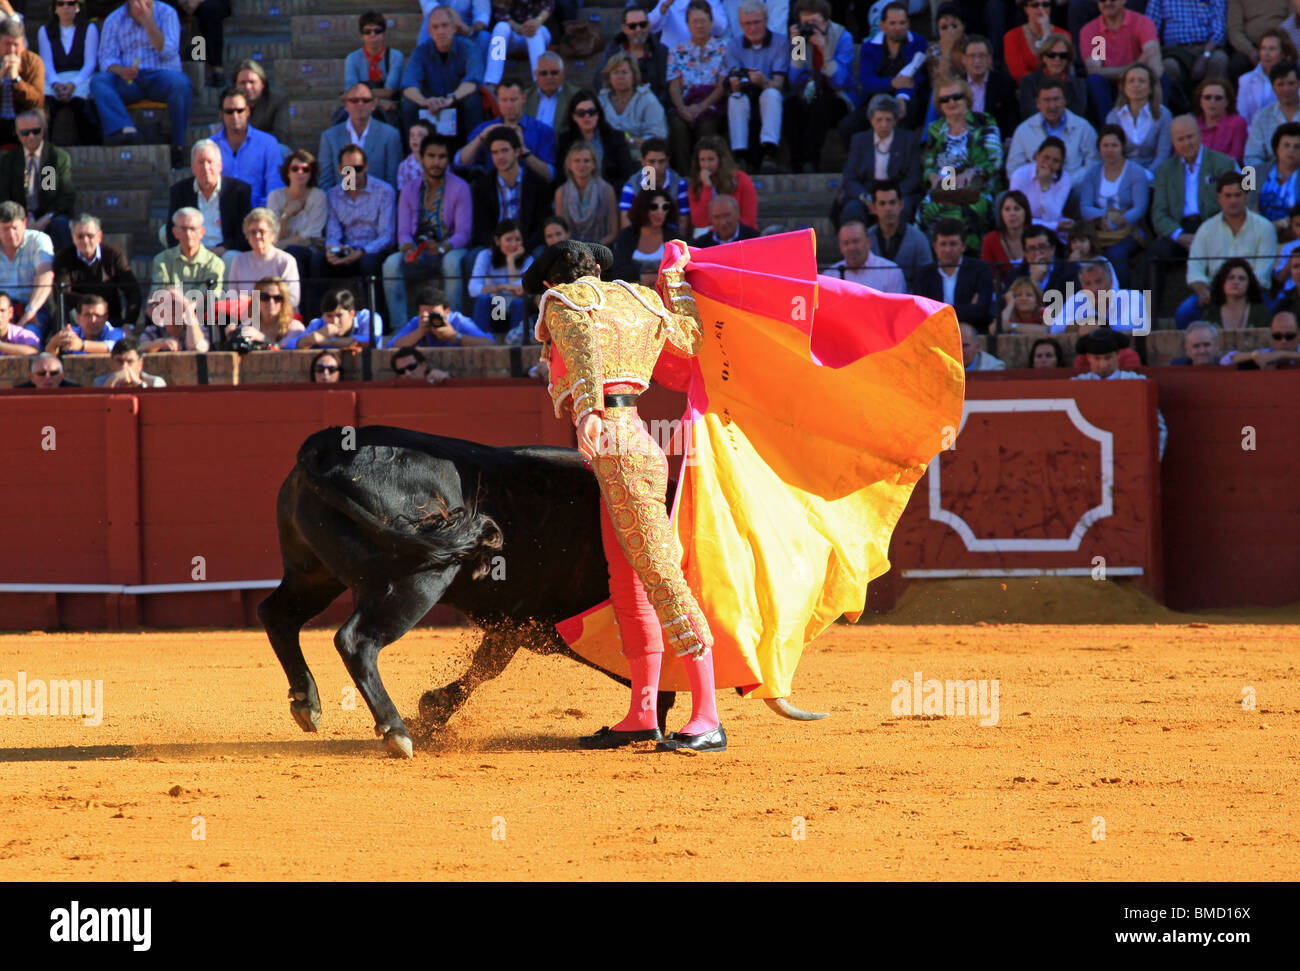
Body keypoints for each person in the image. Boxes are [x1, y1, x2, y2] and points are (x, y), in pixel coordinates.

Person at [526, 237, 724, 751]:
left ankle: (708, 716)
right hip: (638, 440)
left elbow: (582, 347)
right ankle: (642, 713)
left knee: (658, 573)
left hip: (614, 441)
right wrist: (676, 281)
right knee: (629, 580)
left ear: (553, 280)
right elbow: (692, 337)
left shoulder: (564, 301)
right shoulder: (642, 299)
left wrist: (588, 408)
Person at [1148, 116, 1239, 315]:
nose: (1186, 143)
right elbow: (1159, 213)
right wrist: (1179, 235)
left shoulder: (1223, 163)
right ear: (1173, 142)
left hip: (1213, 226)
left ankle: (1219, 313)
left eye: (1190, 137)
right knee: (1154, 255)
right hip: (1180, 229)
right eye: (1180, 139)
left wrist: (1206, 233)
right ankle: (1151, 319)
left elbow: (1235, 203)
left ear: (1199, 136)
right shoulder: (1165, 170)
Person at [88, 1, 190, 168]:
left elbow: (169, 52)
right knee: (99, 82)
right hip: (129, 80)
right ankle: (125, 129)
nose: (141, 4)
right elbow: (106, 58)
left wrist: (149, 22)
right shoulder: (114, 19)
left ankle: (178, 146)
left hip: (161, 76)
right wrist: (121, 70)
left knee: (182, 84)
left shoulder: (167, 13)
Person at [384, 131, 472, 322]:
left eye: (441, 157)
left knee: (451, 262)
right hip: (420, 249)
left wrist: (442, 247)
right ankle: (399, 328)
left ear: (448, 160)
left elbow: (463, 234)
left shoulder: (460, 187)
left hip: (451, 248)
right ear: (421, 158)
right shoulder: (409, 189)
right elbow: (404, 233)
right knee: (391, 264)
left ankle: (453, 323)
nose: (436, 162)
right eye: (431, 156)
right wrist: (408, 247)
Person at [918, 77, 1003, 252]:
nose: (951, 102)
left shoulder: (985, 122)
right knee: (926, 209)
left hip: (977, 188)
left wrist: (974, 171)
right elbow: (928, 164)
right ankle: (939, 258)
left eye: (956, 97)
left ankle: (968, 257)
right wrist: (932, 176)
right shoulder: (935, 129)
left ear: (966, 98)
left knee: (966, 211)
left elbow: (995, 161)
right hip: (944, 187)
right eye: (944, 99)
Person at [1182, 172, 1276, 328]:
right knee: (1184, 313)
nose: (1233, 200)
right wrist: (1202, 290)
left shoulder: (1264, 227)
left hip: (1254, 291)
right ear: (1219, 198)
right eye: (1228, 195)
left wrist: (1238, 288)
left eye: (1238, 195)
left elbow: (1263, 272)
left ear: (1246, 196)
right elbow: (1194, 269)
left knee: (1273, 315)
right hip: (1214, 290)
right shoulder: (1206, 229)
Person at [313, 144, 397, 299]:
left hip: (373, 251)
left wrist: (361, 252)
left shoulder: (384, 191)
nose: (353, 174)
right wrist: (332, 250)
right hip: (347, 250)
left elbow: (387, 236)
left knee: (368, 263)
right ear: (339, 170)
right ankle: (320, 317)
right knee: (319, 261)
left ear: (366, 167)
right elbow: (333, 233)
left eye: (357, 168)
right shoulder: (333, 194)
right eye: (347, 170)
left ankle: (376, 318)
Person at [782, 0, 855, 174]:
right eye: (805, 23)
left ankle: (811, 161)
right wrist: (797, 47)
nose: (809, 27)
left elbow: (841, 81)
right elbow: (793, 79)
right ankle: (796, 162)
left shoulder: (842, 37)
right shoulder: (800, 38)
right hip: (805, 93)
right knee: (790, 106)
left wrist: (825, 52)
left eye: (814, 23)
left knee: (819, 104)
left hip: (836, 96)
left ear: (826, 22)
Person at [1071, 326, 1166, 457]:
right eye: (1097, 359)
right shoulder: (1077, 385)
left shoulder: (1136, 382)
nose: (1103, 365)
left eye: (1108, 358)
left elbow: (1159, 429)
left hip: (1130, 455)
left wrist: (1152, 463)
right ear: (1088, 358)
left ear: (1118, 355)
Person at [1076, 125, 1149, 289]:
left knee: (1116, 254)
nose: (1110, 150)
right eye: (1105, 145)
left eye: (1114, 145)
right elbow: (1085, 207)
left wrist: (1120, 220)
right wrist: (1106, 215)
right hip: (1100, 229)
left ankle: (1122, 298)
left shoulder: (1136, 172)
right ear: (1099, 148)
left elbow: (1140, 207)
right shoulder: (1092, 174)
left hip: (1129, 230)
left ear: (1122, 147)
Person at [721, 0, 787, 173]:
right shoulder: (733, 45)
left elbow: (780, 82)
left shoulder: (781, 42)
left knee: (770, 94)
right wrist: (735, 83)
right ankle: (739, 155)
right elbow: (733, 77)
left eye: (757, 22)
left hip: (770, 91)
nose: (752, 28)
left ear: (766, 21)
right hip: (746, 93)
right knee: (735, 98)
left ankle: (770, 152)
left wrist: (763, 80)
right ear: (741, 25)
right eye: (747, 24)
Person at [400, 6, 485, 141]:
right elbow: (408, 85)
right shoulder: (421, 51)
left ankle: (475, 154)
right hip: (430, 103)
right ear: (430, 31)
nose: (440, 31)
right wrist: (424, 101)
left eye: (445, 26)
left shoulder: (470, 48)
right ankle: (413, 156)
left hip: (458, 101)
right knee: (408, 104)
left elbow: (473, 81)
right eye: (435, 27)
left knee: (472, 100)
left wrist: (451, 99)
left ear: (454, 27)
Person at [836, 93, 921, 226]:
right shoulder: (859, 141)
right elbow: (850, 178)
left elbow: (914, 177)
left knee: (904, 208)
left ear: (895, 121)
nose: (883, 125)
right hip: (868, 191)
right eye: (879, 119)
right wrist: (865, 197)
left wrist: (892, 197)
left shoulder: (908, 140)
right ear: (871, 120)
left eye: (888, 120)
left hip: (898, 190)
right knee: (852, 210)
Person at [167, 139, 252, 267]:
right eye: (201, 162)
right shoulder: (179, 191)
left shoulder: (239, 190)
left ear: (220, 166)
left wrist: (222, 249)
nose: (206, 168)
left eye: (210, 162)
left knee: (233, 258)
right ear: (193, 167)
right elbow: (171, 232)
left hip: (225, 251)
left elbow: (244, 233)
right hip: (192, 249)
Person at [0, 110, 74, 254]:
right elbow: (4, 195)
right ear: (17, 132)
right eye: (25, 133)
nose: (31, 137)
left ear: (44, 130)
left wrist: (46, 218)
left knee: (61, 224)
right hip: (18, 218)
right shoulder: (9, 161)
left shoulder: (54, 157)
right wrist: (21, 220)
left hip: (49, 217)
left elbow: (65, 195)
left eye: (36, 131)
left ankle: (65, 271)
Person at [1080, 0, 1163, 127]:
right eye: (1102, 0)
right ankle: (1110, 131)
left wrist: (1140, 76)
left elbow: (1155, 63)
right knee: (1095, 80)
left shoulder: (1141, 23)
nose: (1107, 3)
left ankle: (1155, 125)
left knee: (1162, 79)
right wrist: (1137, 65)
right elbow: (1096, 70)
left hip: (1139, 82)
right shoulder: (1094, 31)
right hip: (1110, 87)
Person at [51, 213, 141, 327]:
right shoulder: (63, 257)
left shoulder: (113, 255)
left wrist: (129, 323)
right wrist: (93, 303)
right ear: (73, 237)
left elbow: (133, 290)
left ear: (99, 236)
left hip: (109, 318)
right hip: (77, 320)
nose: (85, 240)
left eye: (90, 235)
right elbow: (61, 293)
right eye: (80, 236)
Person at [470, 125, 551, 252]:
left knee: (541, 254)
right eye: (495, 152)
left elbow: (543, 224)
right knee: (472, 258)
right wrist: (499, 246)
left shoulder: (536, 183)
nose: (500, 157)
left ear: (517, 151)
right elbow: (480, 228)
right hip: (495, 247)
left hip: (528, 246)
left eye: (504, 150)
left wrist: (523, 246)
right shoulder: (482, 186)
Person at [849, 2, 926, 136]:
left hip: (909, 95)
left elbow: (915, 77)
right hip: (876, 96)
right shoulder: (869, 47)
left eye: (902, 23)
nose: (898, 28)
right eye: (893, 23)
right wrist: (892, 82)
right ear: (882, 25)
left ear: (908, 23)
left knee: (908, 110)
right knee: (848, 126)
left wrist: (902, 96)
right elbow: (867, 82)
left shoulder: (918, 42)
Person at [457, 78, 555, 179]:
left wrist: (524, 152)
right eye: (504, 100)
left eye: (513, 100)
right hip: (492, 189)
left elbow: (549, 175)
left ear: (524, 99)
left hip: (530, 190)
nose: (509, 106)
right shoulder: (485, 128)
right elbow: (459, 163)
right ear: (498, 100)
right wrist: (481, 138)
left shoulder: (542, 130)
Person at [318, 82, 403, 192]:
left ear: (374, 104)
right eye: (354, 100)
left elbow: (392, 181)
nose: (360, 104)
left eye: (365, 100)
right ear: (346, 105)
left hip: (379, 205)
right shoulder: (329, 137)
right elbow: (326, 182)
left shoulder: (390, 135)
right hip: (340, 204)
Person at [1008, 80, 1098, 182]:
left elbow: (1094, 164)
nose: (1052, 106)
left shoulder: (1083, 127)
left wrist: (1066, 183)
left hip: (1074, 189)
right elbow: (1014, 169)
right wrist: (1038, 184)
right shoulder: (1023, 130)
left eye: (1056, 99)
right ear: (1038, 103)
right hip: (1035, 191)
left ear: (1065, 101)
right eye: (1046, 100)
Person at [37, 0, 100, 146]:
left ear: (78, 7)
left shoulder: (89, 28)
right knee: (46, 108)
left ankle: (90, 147)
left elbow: (90, 63)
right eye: (61, 4)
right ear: (55, 8)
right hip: (54, 78)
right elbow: (46, 63)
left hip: (81, 77)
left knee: (82, 106)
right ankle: (45, 149)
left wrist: (73, 83)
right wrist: (56, 84)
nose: (66, 7)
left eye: (71, 3)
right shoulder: (45, 31)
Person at [267, 150, 328, 297]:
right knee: (292, 258)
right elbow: (272, 235)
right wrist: (286, 216)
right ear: (287, 172)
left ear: (311, 173)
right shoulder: (275, 196)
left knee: (295, 255)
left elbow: (313, 234)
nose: (300, 173)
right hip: (284, 251)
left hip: (311, 248)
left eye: (305, 169)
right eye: (295, 169)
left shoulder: (318, 196)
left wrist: (282, 243)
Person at [211, 87, 283, 209]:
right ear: (222, 114)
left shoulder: (268, 144)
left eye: (240, 111)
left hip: (258, 217)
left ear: (248, 111)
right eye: (229, 111)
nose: (235, 116)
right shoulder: (210, 146)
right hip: (220, 216)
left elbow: (275, 190)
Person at [917, 218, 995, 330]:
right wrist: (968, 309)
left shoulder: (980, 270)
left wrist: (938, 311)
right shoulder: (924, 274)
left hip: (972, 334)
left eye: (953, 244)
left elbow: (980, 312)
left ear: (963, 246)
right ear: (935, 247)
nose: (947, 249)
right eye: (943, 244)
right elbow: (922, 313)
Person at [555, 89, 637, 188]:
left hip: (609, 193)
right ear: (574, 117)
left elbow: (625, 175)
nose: (587, 116)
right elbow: (560, 176)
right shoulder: (565, 140)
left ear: (598, 114)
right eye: (581, 113)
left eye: (591, 112)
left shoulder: (616, 138)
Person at [1104, 63, 1172, 178]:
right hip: (1122, 176)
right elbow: (1113, 153)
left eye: (1141, 81)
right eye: (1131, 81)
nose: (1136, 85)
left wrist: (1146, 175)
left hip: (1153, 176)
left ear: (1150, 88)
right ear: (1124, 87)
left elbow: (1163, 154)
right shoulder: (1113, 117)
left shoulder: (1163, 115)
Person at [1049, 258, 1150, 332]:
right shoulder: (1077, 299)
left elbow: (1128, 326)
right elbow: (1055, 328)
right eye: (1088, 284)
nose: (1094, 288)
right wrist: (1085, 325)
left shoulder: (1133, 297)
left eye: (1098, 281)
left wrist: (1092, 324)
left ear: (1110, 281)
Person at [228, 208, 301, 310]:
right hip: (247, 318)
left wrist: (254, 301)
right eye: (253, 232)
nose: (257, 236)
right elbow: (232, 297)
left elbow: (293, 299)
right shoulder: (239, 260)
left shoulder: (286, 261)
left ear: (272, 235)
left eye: (262, 231)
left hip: (279, 319)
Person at [0, 200, 54, 338]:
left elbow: (46, 274)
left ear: (24, 224)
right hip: (2, 311)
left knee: (30, 338)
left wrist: (30, 311)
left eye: (15, 228)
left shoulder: (39, 241)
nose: (11, 235)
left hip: (33, 309)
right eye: (6, 229)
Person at [595, 4, 669, 104]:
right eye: (632, 26)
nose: (638, 29)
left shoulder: (660, 51)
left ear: (648, 25)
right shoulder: (613, 50)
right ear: (624, 28)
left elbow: (666, 87)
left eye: (642, 24)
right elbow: (600, 81)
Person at [467, 220, 529, 338]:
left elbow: (521, 289)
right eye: (508, 240)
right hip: (496, 304)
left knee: (520, 302)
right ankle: (479, 340)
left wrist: (511, 260)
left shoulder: (528, 260)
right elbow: (473, 289)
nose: (513, 244)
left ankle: (519, 342)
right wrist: (502, 287)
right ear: (497, 241)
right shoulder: (485, 255)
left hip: (515, 304)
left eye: (517, 240)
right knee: (483, 299)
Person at [1145, 0, 1228, 88]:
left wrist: (1205, 57)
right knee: (1169, 65)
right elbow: (1150, 27)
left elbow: (1220, 30)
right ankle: (1177, 101)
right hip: (1175, 51)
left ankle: (1212, 97)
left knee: (1219, 59)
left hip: (1207, 48)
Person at [599, 54, 668, 157]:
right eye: (615, 73)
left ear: (634, 75)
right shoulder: (601, 100)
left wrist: (630, 141)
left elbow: (659, 138)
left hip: (640, 154)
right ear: (609, 77)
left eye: (624, 72)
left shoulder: (648, 100)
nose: (620, 77)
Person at [343, 11, 404, 128]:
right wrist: (379, 102)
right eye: (367, 32)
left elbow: (389, 91)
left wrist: (361, 94)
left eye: (377, 31)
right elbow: (351, 91)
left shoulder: (396, 56)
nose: (372, 35)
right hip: (362, 104)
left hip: (389, 106)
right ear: (361, 35)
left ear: (384, 34)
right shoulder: (352, 58)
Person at [868, 180, 934, 288]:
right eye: (882, 203)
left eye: (892, 202)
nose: (888, 208)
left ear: (901, 204)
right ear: (874, 208)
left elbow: (927, 279)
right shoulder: (866, 239)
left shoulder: (918, 239)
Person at [686, 135, 756, 235]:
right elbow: (700, 222)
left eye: (711, 159)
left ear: (721, 160)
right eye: (702, 160)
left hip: (739, 232)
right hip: (710, 235)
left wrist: (723, 233)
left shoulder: (741, 179)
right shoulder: (695, 184)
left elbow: (749, 219)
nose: (706, 165)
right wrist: (707, 187)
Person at [553, 141, 618, 246]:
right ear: (569, 165)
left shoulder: (607, 190)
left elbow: (613, 232)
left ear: (594, 165)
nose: (581, 165)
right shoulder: (561, 192)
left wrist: (593, 249)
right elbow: (560, 230)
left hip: (601, 250)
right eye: (577, 161)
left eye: (586, 161)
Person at [620, 138, 692, 233]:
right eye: (651, 161)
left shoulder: (680, 185)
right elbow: (626, 220)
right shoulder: (631, 187)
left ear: (667, 161)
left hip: (672, 239)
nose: (656, 167)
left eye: (661, 161)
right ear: (643, 162)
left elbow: (683, 220)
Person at [611, 187, 683, 280]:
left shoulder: (674, 237)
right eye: (654, 207)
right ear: (643, 209)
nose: (660, 212)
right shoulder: (627, 236)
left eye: (665, 207)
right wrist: (644, 276)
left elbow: (682, 269)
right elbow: (618, 270)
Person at [151, 207, 225, 298]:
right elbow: (159, 293)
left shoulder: (215, 263)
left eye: (193, 229)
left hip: (202, 311)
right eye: (183, 229)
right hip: (171, 310)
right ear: (174, 232)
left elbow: (212, 296)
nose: (188, 234)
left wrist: (186, 305)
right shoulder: (162, 259)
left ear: (202, 232)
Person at [1009, 136, 1073, 241]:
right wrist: (1054, 225)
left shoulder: (1064, 179)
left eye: (1055, 161)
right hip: (1023, 229)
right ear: (1037, 156)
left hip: (1052, 232)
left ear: (1061, 165)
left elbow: (1052, 217)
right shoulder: (1020, 175)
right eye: (1046, 158)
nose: (1049, 164)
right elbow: (1018, 217)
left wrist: (1045, 186)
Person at [387, 284, 492, 347]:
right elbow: (393, 345)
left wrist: (455, 336)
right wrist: (419, 332)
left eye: (434, 314)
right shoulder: (418, 321)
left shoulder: (458, 321)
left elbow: (489, 343)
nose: (430, 318)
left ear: (447, 312)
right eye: (425, 313)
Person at [957, 34, 1019, 139]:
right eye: (972, 56)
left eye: (982, 56)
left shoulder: (1005, 83)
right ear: (964, 59)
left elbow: (1012, 118)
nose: (977, 61)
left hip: (995, 141)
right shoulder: (956, 85)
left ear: (990, 58)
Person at [1016, 33, 1087, 123]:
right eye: (1052, 55)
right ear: (1043, 58)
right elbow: (1029, 113)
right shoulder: (1029, 82)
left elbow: (1077, 115)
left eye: (1063, 55)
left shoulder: (1078, 85)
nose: (1057, 59)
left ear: (1068, 59)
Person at [0, 15, 45, 154]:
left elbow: (37, 102)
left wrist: (16, 80)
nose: (12, 50)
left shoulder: (33, 62)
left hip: (23, 120)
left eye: (16, 45)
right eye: (8, 44)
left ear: (23, 45)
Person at [484, 0, 553, 89]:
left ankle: (539, 82)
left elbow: (548, 6)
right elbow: (501, 13)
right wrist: (519, 28)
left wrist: (537, 21)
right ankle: (492, 82)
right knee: (500, 27)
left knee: (535, 32)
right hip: (515, 33)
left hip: (540, 32)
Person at [1245, 58, 1300, 170]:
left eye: (1291, 83)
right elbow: (1251, 157)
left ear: (1299, 84)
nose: (1286, 89)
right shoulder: (1261, 117)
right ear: (1273, 87)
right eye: (1280, 84)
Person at [828, 218, 905, 293]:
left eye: (856, 241)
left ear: (868, 242)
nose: (851, 247)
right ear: (840, 247)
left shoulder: (891, 272)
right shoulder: (831, 275)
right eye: (846, 243)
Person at [289, 287, 381, 350]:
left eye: (339, 315)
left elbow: (369, 342)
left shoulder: (368, 318)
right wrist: (309, 339)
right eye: (329, 316)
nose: (334, 321)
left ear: (352, 314)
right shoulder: (318, 324)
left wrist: (326, 341)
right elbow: (288, 347)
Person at [1237, 28, 1296, 124]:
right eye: (1263, 48)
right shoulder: (1245, 80)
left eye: (1272, 49)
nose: (1266, 54)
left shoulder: (1294, 80)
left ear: (1283, 54)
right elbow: (1242, 119)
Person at [1003, 0, 1069, 82]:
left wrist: (1047, 36)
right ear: (1026, 8)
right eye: (1035, 5)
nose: (1041, 9)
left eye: (1046, 4)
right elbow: (1018, 74)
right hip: (1026, 90)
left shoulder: (1064, 35)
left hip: (1058, 89)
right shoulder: (1012, 36)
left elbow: (1062, 70)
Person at [234, 59, 291, 151]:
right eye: (242, 83)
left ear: (262, 84)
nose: (248, 87)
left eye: (252, 82)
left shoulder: (277, 99)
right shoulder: (230, 102)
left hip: (269, 149)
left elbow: (281, 135)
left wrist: (250, 141)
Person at [232, 276, 302, 348]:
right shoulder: (247, 326)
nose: (271, 302)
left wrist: (262, 338)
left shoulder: (295, 328)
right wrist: (232, 338)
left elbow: (287, 352)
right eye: (265, 297)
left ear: (284, 302)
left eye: (277, 298)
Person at [44, 290, 123, 354]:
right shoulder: (73, 332)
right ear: (78, 318)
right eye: (87, 315)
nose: (93, 320)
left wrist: (81, 345)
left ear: (106, 317)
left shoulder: (116, 333)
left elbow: (113, 347)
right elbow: (48, 356)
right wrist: (55, 341)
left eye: (98, 316)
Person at [1202, 257, 1271, 330]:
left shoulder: (1260, 313)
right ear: (1222, 282)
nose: (1236, 282)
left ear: (1249, 284)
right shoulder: (1211, 314)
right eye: (1231, 277)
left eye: (1241, 278)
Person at [136, 285, 209, 352]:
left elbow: (198, 347)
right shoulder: (153, 331)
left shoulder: (198, 328)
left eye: (175, 303)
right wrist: (160, 343)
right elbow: (139, 349)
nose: (172, 308)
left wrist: (189, 310)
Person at [1219, 307, 1300, 367]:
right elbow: (1225, 360)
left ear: (1298, 336)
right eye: (1277, 336)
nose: (1283, 341)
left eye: (1289, 336)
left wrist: (1282, 354)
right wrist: (1254, 355)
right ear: (1270, 337)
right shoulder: (1268, 353)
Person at [982, 189, 1031, 285]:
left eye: (1017, 209)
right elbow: (987, 275)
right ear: (1001, 214)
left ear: (1026, 212)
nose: (1012, 214)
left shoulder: (1035, 237)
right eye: (1007, 209)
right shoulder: (990, 240)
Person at [1194, 77, 1247, 163]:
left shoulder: (1238, 123)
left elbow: (1236, 157)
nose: (1212, 101)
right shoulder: (1192, 124)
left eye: (1218, 98)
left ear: (1227, 101)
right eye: (1207, 97)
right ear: (1200, 101)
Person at [525, 51, 580, 131]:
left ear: (563, 73)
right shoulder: (525, 97)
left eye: (554, 73)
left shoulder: (576, 96)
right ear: (536, 75)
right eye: (543, 73)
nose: (549, 77)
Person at [1260, 121, 1300, 227]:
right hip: (1256, 232)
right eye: (1286, 145)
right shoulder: (1253, 172)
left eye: (1297, 147)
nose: (1291, 150)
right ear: (1277, 148)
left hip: (1292, 235)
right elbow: (1245, 204)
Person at [649, 0, 728, 50]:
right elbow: (650, 27)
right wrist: (664, 6)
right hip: (673, 58)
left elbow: (720, 29)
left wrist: (705, 4)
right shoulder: (668, 3)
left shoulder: (713, 1)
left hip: (705, 57)